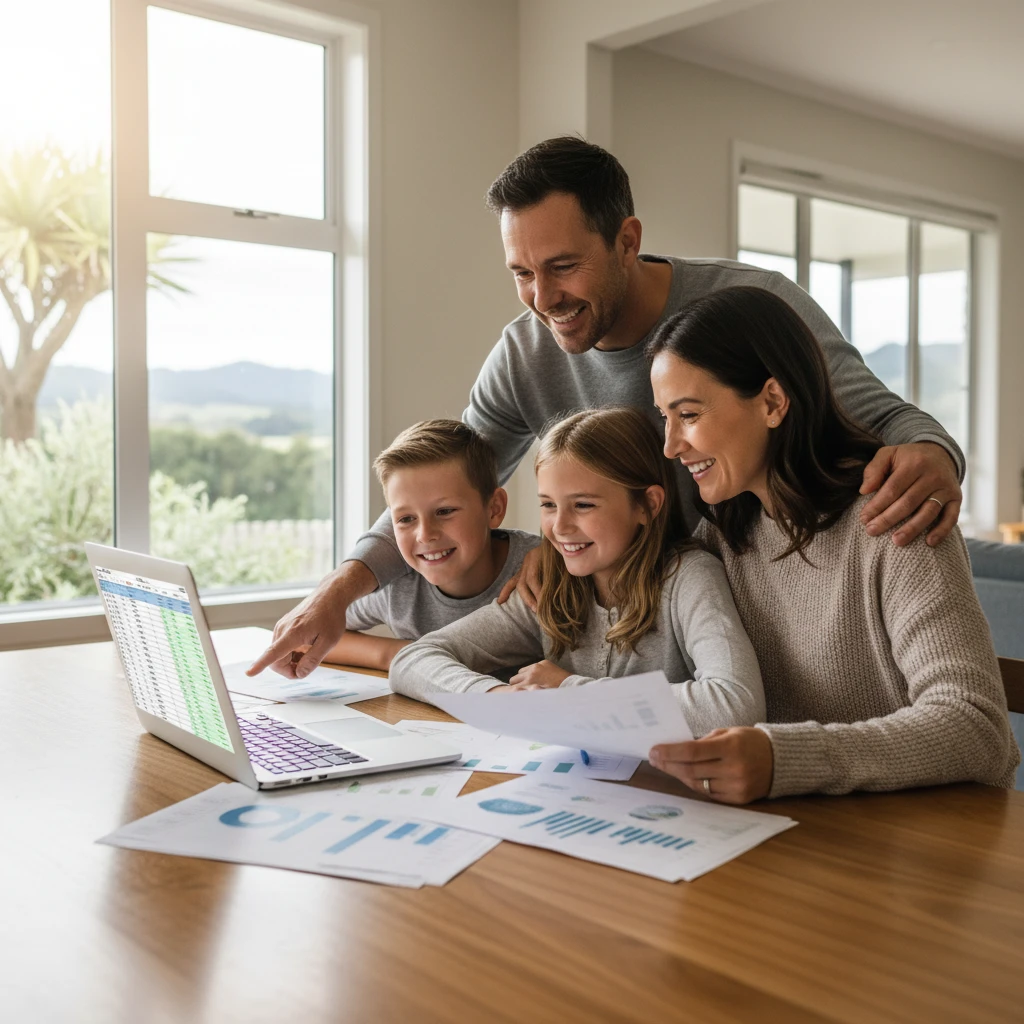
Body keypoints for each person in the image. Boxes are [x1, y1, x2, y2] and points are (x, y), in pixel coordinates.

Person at [250, 136, 965, 680]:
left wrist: (934, 455)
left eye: (563, 266)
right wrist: (335, 594)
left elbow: (889, 419)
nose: (543, 298)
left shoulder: (750, 310)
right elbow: (444, 483)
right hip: (645, 634)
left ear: (628, 240)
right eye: (522, 274)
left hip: (753, 609)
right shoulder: (527, 352)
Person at [645, 286, 1018, 803]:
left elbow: (976, 729)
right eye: (665, 417)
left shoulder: (894, 522)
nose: (671, 445)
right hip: (801, 833)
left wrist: (784, 758)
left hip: (929, 842)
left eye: (687, 415)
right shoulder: (720, 540)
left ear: (772, 401)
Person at [388, 408, 766, 739]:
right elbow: (414, 661)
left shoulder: (690, 579)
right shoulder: (549, 587)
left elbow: (736, 704)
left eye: (583, 505)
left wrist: (570, 690)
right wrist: (497, 697)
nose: (561, 527)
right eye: (549, 505)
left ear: (647, 505)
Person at [263, 419, 538, 675]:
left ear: (494, 509)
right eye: (406, 519)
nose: (425, 534)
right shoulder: (398, 586)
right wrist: (399, 654)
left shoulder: (539, 568)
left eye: (444, 511)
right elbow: (314, 637)